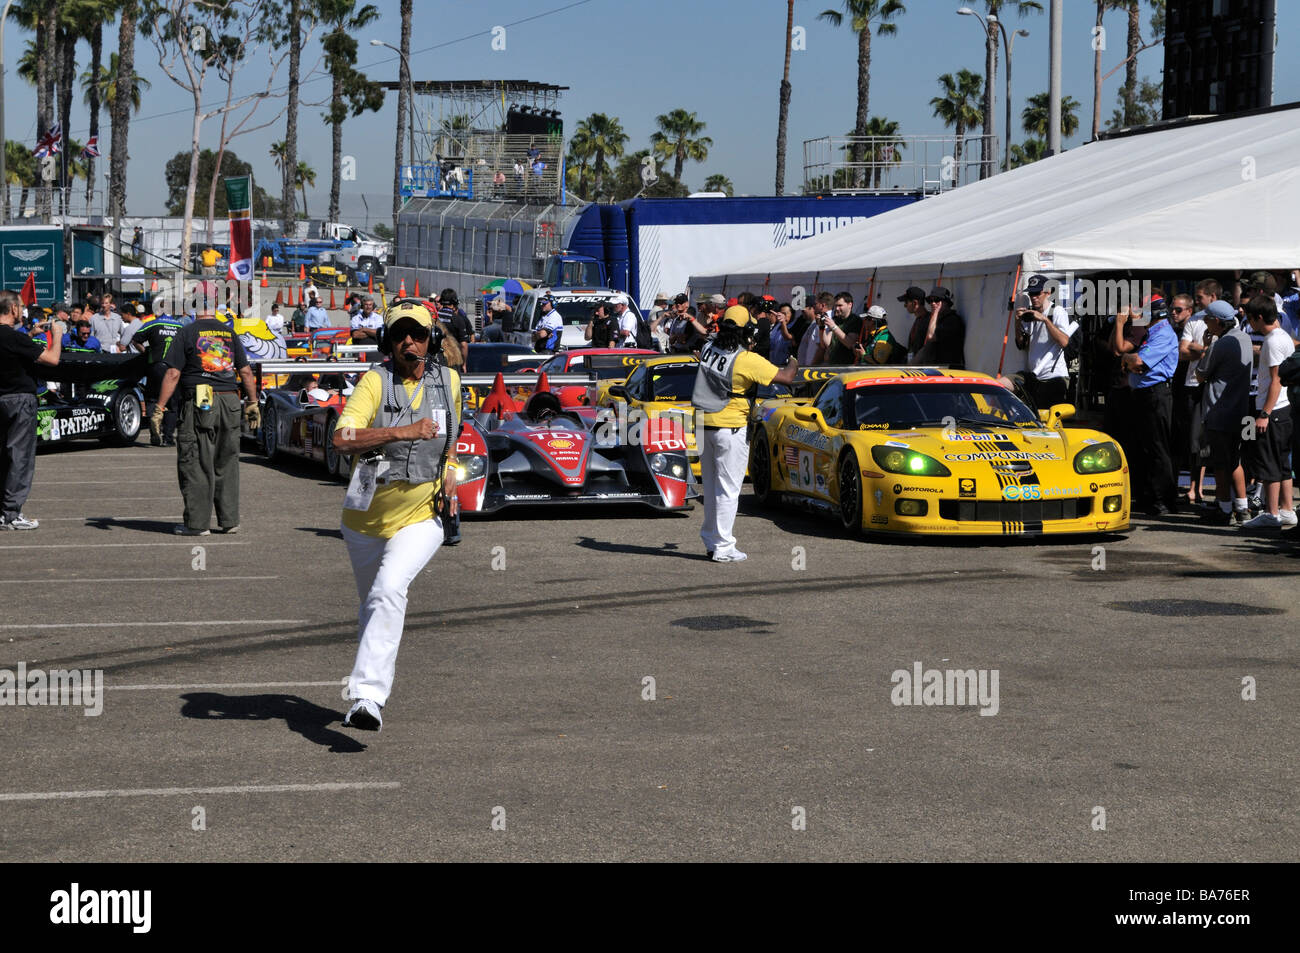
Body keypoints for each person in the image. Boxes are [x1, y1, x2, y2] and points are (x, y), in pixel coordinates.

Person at [331, 300, 463, 731]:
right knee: (375, 604)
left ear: (432, 340)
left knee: (388, 591)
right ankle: (366, 690)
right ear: (389, 342)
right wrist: (400, 431)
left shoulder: (450, 383)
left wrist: (452, 478)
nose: (410, 341)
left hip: (422, 517)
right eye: (401, 334)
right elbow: (342, 437)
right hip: (364, 521)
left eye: (419, 334)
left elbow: (454, 447)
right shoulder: (374, 381)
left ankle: (367, 698)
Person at [691, 305, 799, 562]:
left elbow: (707, 343)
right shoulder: (747, 360)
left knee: (711, 485)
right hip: (731, 428)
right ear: (745, 331)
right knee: (728, 489)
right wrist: (793, 358)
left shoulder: (708, 349)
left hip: (704, 426)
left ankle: (711, 540)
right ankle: (724, 548)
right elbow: (786, 377)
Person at [154, 308, 261, 535]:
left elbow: (173, 373)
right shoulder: (229, 333)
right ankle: (230, 521)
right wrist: (252, 402)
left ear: (194, 309)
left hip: (202, 399)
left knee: (195, 462)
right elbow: (246, 371)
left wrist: (159, 408)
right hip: (231, 399)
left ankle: (197, 524)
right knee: (227, 461)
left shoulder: (187, 332)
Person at [0, 289, 63, 530]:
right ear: (13, 309)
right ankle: (11, 513)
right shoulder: (16, 338)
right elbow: (52, 359)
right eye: (21, 307)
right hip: (20, 400)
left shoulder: (15, 337)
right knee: (20, 457)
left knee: (3, 456)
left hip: (2, 398)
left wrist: (29, 333)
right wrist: (56, 334)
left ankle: (2, 510)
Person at [1119, 297, 1180, 515]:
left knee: (1157, 447)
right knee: (1144, 446)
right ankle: (1149, 495)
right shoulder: (1152, 332)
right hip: (1145, 393)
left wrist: (1127, 358)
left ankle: (1163, 498)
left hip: (1156, 394)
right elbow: (1129, 360)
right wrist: (1128, 359)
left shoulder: (1163, 333)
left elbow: (1137, 362)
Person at [1240, 295, 1296, 529]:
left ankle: (1272, 513)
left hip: (1273, 411)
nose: (1249, 325)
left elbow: (1276, 380)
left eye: (1250, 320)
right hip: (1284, 409)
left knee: (1270, 463)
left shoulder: (1273, 341)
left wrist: (1264, 413)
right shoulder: (1283, 337)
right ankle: (1287, 510)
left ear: (1259, 318)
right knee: (1282, 463)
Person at [1196, 301, 1252, 525]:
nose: (1204, 322)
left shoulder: (1221, 344)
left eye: (1207, 319)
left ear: (1217, 322)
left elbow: (1201, 374)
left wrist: (1206, 347)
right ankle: (1242, 507)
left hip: (1219, 410)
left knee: (1219, 463)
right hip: (1240, 410)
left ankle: (1225, 509)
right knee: (1234, 460)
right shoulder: (1244, 338)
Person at [1014, 273, 1078, 410]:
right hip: (1035, 376)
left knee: (1049, 421)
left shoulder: (1057, 311)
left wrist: (1044, 319)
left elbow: (1064, 341)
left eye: (1037, 293)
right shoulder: (1031, 314)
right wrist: (1017, 322)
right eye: (1031, 294)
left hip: (1054, 377)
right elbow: (1021, 345)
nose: (1033, 297)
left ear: (1048, 293)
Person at [133, 305, 184, 446]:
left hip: (156, 366)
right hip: (175, 368)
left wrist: (145, 351)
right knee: (172, 404)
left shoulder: (152, 323)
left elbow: (135, 339)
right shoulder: (181, 327)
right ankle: (168, 438)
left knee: (153, 399)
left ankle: (154, 432)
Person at [1174, 294, 1208, 505]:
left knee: (1200, 441)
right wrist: (1202, 351)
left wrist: (1197, 349)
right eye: (1173, 309)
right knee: (1185, 438)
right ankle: (1191, 486)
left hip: (1201, 387)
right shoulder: (1185, 326)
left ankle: (1197, 487)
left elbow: (1212, 354)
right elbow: (1181, 352)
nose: (1173, 313)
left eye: (1178, 310)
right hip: (1184, 387)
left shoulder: (1203, 322)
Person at [913, 286, 965, 366]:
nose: (933, 303)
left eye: (937, 300)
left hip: (948, 370)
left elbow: (930, 337)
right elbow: (926, 347)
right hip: (934, 369)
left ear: (946, 302)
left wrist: (935, 312)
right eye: (931, 301)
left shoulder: (952, 321)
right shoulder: (937, 320)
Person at [822, 292, 861, 365]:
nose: (837, 308)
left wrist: (834, 327)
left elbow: (850, 343)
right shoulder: (836, 320)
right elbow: (827, 343)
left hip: (845, 366)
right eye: (836, 305)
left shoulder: (855, 321)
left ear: (850, 305)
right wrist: (821, 327)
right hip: (831, 364)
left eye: (840, 305)